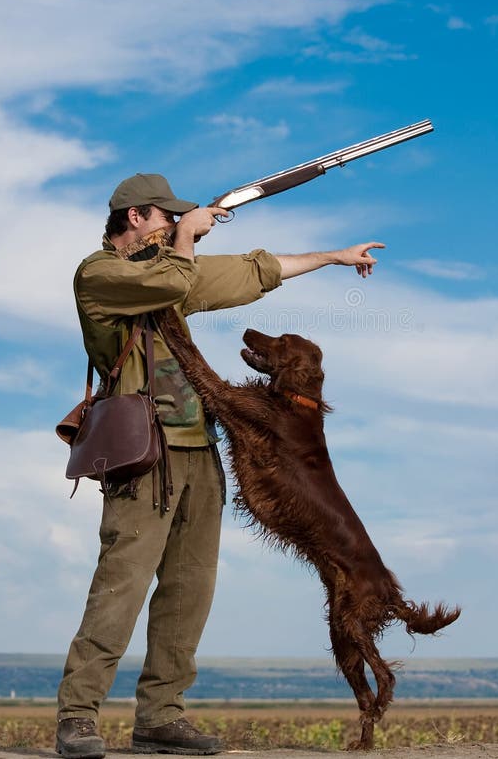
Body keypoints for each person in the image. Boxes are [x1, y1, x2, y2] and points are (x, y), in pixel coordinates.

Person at [56, 173, 384, 759]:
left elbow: (254, 271)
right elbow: (176, 275)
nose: (176, 228)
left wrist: (332, 257)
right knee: (120, 588)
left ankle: (161, 717)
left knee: (190, 589)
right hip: (142, 457)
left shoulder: (169, 275)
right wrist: (186, 237)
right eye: (167, 218)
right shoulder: (100, 276)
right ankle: (78, 717)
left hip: (198, 454)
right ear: (138, 218)